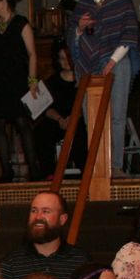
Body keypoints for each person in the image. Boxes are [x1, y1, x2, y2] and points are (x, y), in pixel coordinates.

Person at [66, 0, 140, 174]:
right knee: (92, 118)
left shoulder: (122, 0)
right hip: (87, 68)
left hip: (118, 63)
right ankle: (98, 166)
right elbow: (72, 39)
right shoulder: (82, 5)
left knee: (117, 116)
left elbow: (129, 34)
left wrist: (112, 61)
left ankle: (115, 166)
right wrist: (79, 29)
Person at [0, 0, 41, 183]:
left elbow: (32, 54)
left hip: (19, 80)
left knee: (23, 123)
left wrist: (32, 81)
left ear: (4, 3)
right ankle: (6, 171)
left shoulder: (22, 24)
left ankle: (34, 170)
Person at [0, 190, 91, 279]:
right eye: (34, 211)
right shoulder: (11, 263)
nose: (38, 217)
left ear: (62, 219)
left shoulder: (80, 261)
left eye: (46, 211)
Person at [32, 42, 87, 180]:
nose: (66, 62)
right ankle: (49, 173)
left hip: (79, 119)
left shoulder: (83, 79)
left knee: (80, 134)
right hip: (59, 120)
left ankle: (86, 173)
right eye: (62, 58)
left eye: (68, 57)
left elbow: (86, 104)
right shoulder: (52, 81)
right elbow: (45, 108)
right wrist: (59, 119)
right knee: (42, 131)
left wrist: (74, 118)